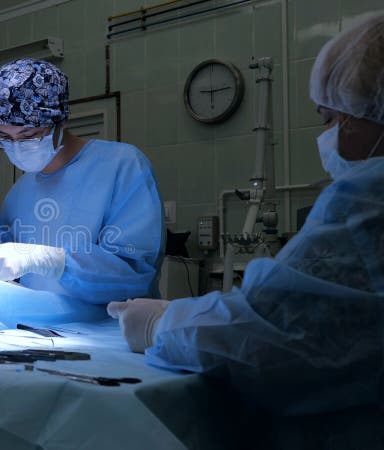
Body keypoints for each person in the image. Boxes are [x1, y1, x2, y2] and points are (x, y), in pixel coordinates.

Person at [109, 14, 384, 414]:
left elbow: (266, 333)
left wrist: (161, 325)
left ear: (370, 111)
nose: (328, 136)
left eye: (330, 119)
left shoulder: (368, 201)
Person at [0, 59, 164, 304]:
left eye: (29, 135)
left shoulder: (122, 166)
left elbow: (134, 275)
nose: (16, 147)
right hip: (38, 334)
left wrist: (51, 262)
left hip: (110, 334)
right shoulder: (18, 194)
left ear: (62, 122)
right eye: (5, 137)